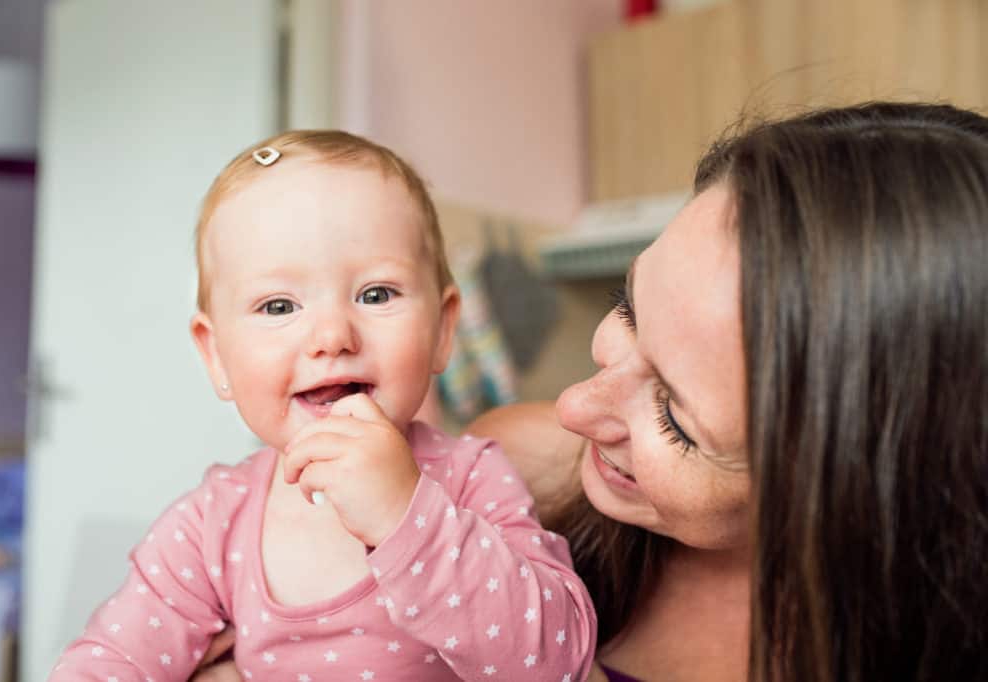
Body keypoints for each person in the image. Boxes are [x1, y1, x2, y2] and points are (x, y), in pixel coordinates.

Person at [192, 101, 988, 682]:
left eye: (674, 419)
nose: (576, 410)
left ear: (856, 492)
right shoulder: (516, 461)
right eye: (629, 309)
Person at [48, 130, 597, 681]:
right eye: (279, 305)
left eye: (376, 294)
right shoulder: (211, 524)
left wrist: (406, 515)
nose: (332, 335)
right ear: (216, 356)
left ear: (442, 328)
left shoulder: (471, 479)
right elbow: (108, 665)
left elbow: (557, 662)